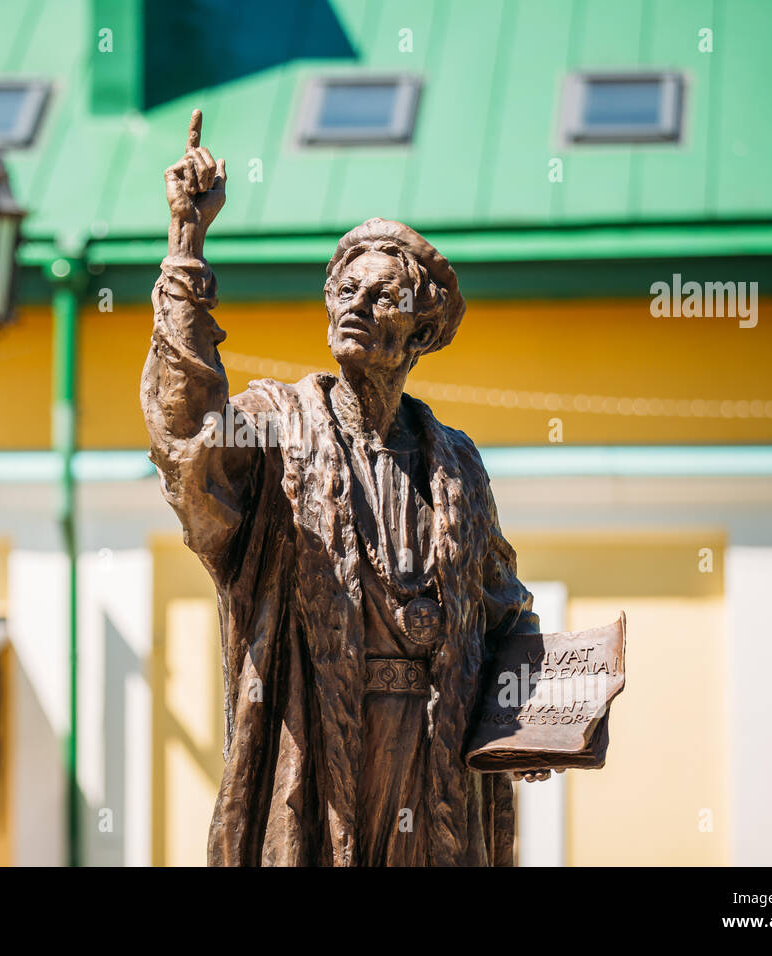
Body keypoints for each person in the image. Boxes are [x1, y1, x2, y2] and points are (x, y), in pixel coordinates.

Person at [142, 110, 546, 866]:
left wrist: (534, 717)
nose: (356, 304)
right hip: (319, 741)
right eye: (345, 290)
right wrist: (186, 251)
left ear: (422, 332)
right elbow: (188, 436)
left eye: (384, 295)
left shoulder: (457, 464)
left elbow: (502, 614)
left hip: (434, 760)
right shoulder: (276, 427)